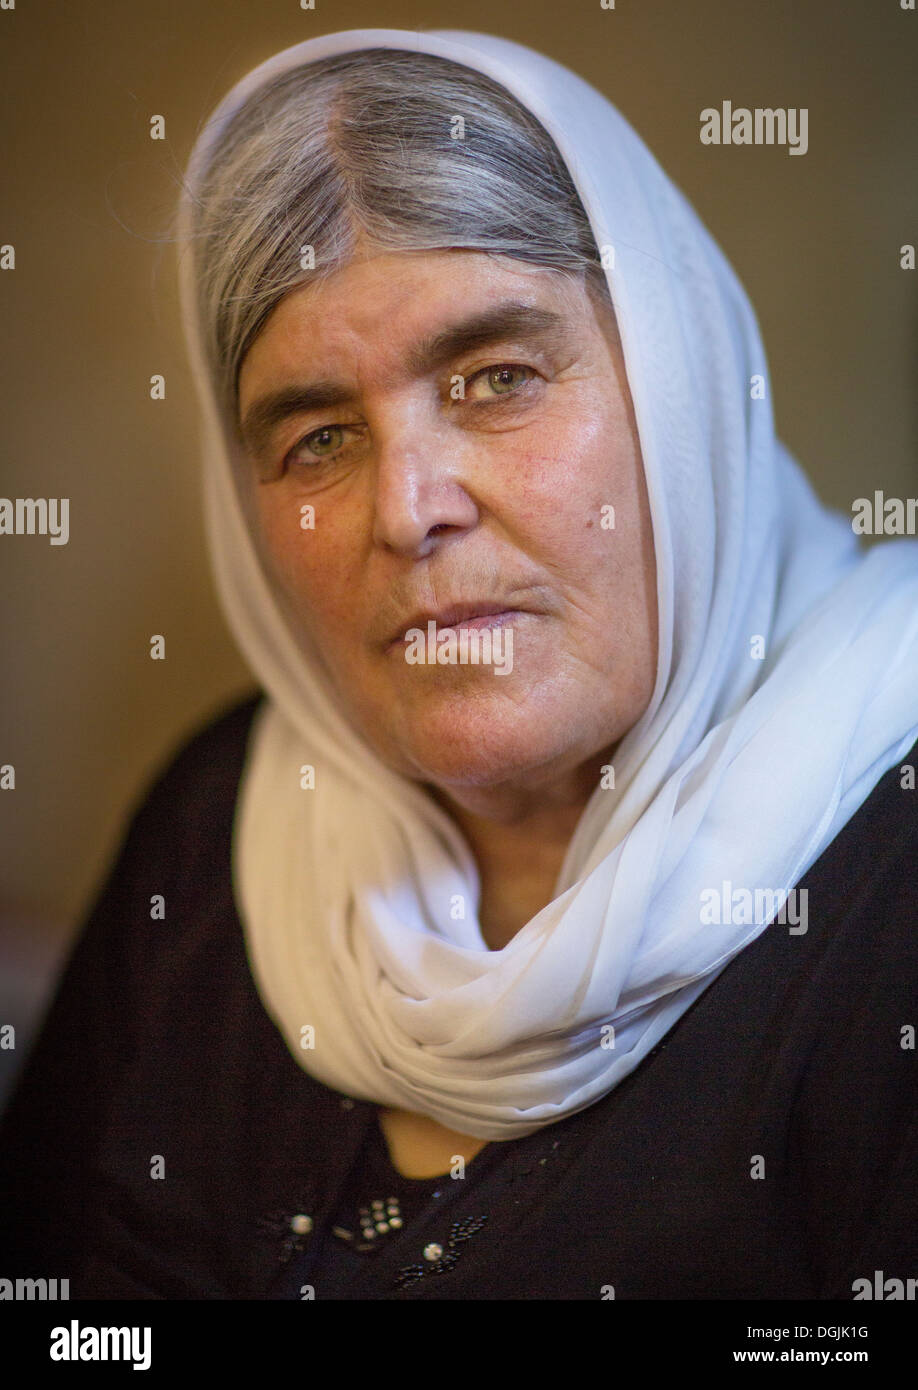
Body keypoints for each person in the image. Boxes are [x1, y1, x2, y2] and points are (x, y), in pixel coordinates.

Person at [1, 28, 916, 1301]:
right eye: (318, 439)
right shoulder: (223, 830)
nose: (406, 508)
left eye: (496, 377)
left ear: (681, 387)